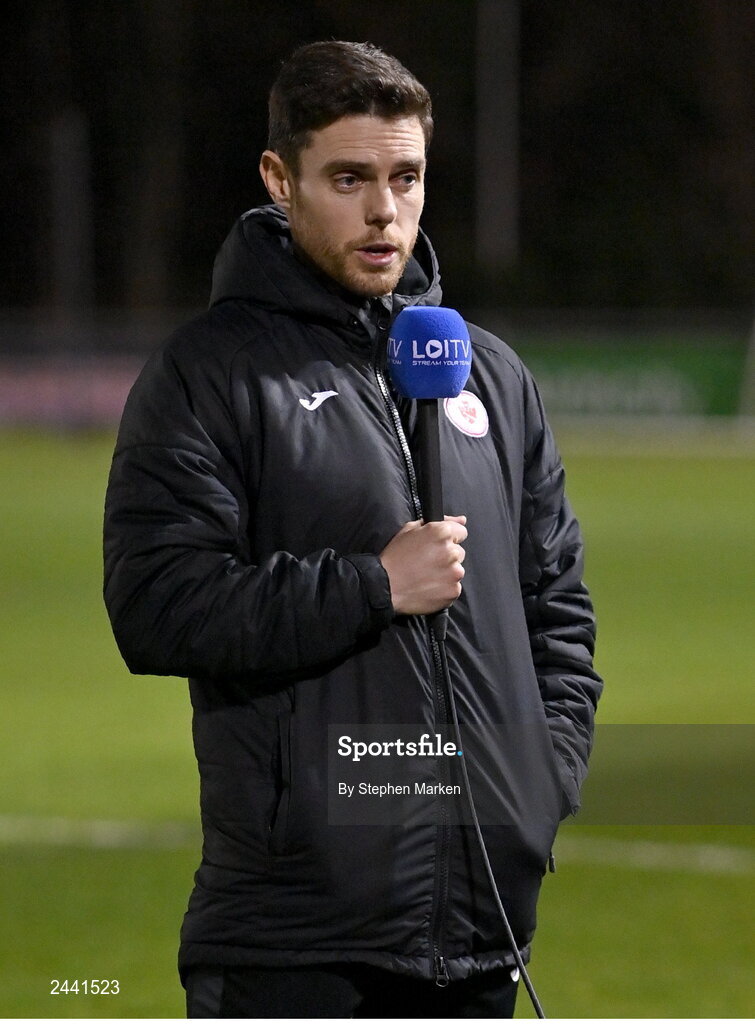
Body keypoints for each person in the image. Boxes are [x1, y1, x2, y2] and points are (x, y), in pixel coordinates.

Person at [103, 40, 602, 1019]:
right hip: (296, 939)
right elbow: (156, 605)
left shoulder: (490, 376)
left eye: (404, 177)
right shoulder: (210, 374)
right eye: (349, 179)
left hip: (481, 932)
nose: (383, 211)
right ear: (278, 179)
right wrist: (372, 585)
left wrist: (536, 783)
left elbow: (556, 611)